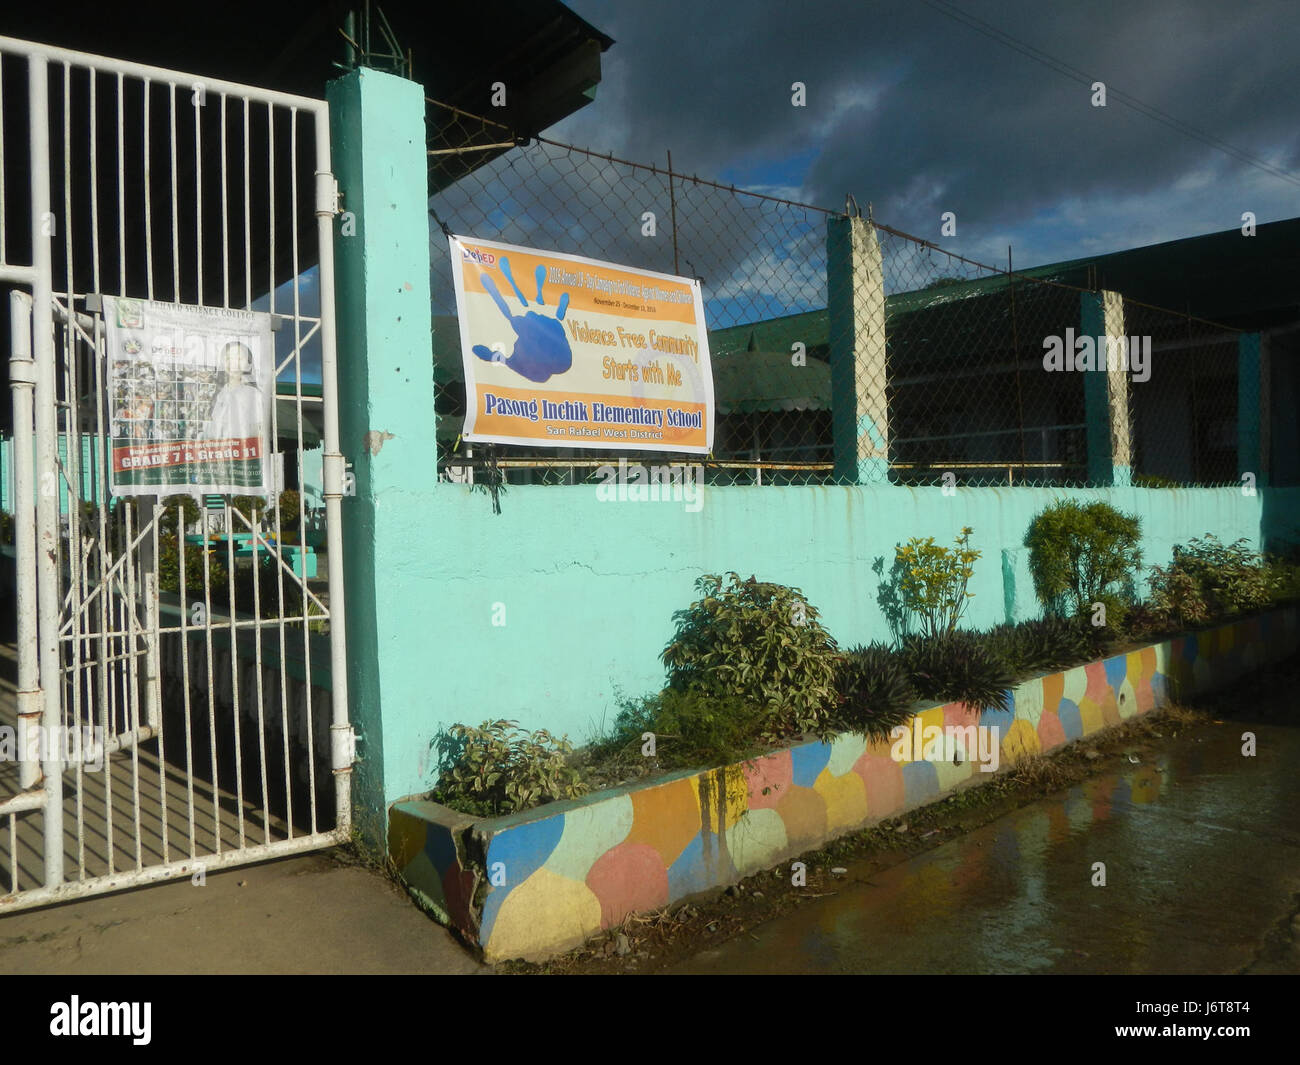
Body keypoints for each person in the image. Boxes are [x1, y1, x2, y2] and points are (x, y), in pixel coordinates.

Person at [203, 341, 263, 443]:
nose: (233, 363)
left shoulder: (254, 395)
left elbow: (257, 431)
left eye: (239, 358)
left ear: (248, 364)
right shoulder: (219, 395)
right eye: (228, 358)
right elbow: (212, 430)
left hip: (244, 453)